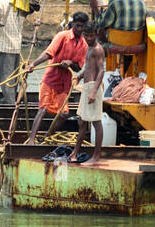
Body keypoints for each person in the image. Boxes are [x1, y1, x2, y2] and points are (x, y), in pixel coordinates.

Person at [28, 12, 89, 143]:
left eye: (82, 27)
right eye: (77, 26)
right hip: (51, 78)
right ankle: (32, 140)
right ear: (72, 24)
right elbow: (49, 53)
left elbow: (78, 68)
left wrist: (71, 63)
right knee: (43, 109)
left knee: (64, 114)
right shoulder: (62, 36)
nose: (79, 29)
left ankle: (47, 137)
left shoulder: (84, 45)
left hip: (64, 83)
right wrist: (33, 64)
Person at [68, 23, 107, 165]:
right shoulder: (89, 48)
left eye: (92, 35)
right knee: (82, 122)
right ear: (83, 35)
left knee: (96, 122)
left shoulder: (98, 49)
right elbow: (89, 68)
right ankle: (75, 152)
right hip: (87, 87)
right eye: (86, 35)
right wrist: (79, 76)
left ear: (96, 34)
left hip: (93, 89)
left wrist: (94, 92)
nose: (89, 38)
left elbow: (101, 71)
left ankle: (96, 156)